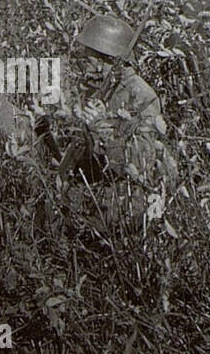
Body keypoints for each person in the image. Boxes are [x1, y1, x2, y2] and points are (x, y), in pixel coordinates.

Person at [38, 15, 178, 223]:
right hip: (88, 200)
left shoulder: (142, 97)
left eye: (89, 58)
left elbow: (139, 163)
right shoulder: (102, 87)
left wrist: (100, 128)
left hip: (118, 209)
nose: (83, 63)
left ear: (108, 59)